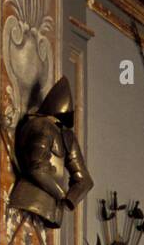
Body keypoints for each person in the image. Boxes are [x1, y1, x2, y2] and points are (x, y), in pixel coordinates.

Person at [10, 77, 93, 228]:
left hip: (51, 207)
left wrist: (68, 198)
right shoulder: (42, 126)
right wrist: (62, 196)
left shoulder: (65, 135)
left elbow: (85, 180)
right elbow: (36, 169)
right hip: (31, 197)